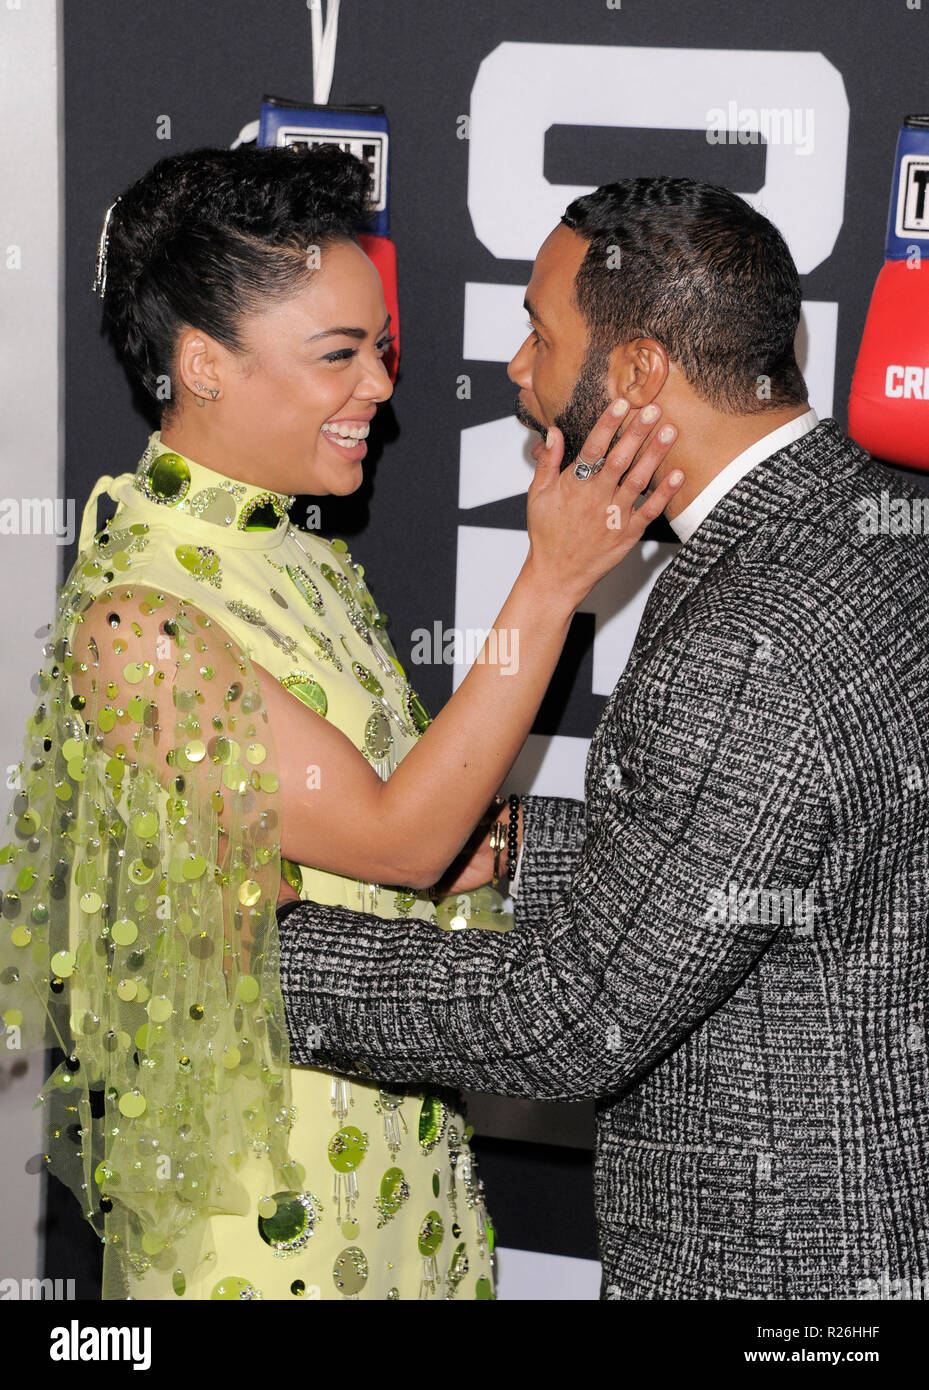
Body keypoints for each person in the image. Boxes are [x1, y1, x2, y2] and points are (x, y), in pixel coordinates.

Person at [0, 147, 681, 1301]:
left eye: (380, 349)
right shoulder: (138, 620)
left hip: (393, 1158)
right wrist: (551, 580)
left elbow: (408, 834)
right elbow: (399, 839)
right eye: (338, 354)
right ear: (203, 365)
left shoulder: (291, 547)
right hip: (271, 1225)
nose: (378, 385)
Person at [273, 177, 929, 1300]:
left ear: (635, 374)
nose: (517, 369)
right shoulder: (874, 523)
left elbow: (575, 1016)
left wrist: (264, 957)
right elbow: (794, 860)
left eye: (539, 331)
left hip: (771, 1266)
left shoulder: (748, 632)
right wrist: (525, 845)